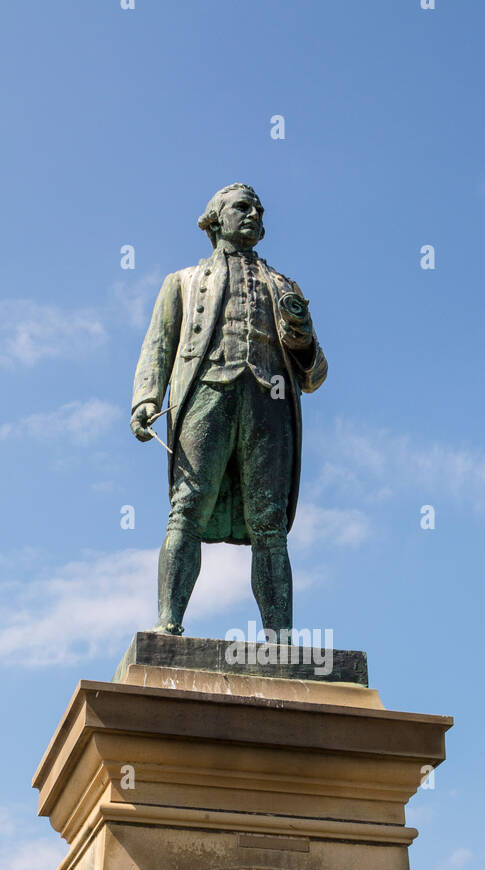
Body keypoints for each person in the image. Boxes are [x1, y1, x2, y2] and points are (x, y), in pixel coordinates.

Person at [131, 183, 327, 637]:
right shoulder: (182, 281)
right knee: (186, 508)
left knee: (270, 524)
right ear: (215, 218)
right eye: (243, 207)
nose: (255, 213)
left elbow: (314, 376)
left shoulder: (286, 288)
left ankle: (280, 640)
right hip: (206, 395)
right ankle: (168, 623)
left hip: (270, 403)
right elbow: (158, 347)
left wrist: (301, 339)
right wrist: (146, 399)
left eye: (259, 208)